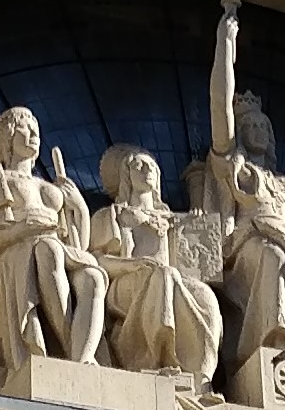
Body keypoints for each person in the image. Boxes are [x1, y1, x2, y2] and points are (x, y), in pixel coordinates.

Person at [192, 0, 285, 389]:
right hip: (247, 252)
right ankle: (275, 347)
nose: (254, 128)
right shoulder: (235, 169)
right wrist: (225, 42)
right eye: (248, 125)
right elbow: (220, 107)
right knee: (272, 256)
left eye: (260, 125)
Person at [0, 106, 106, 378]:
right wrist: (22, 230)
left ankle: (82, 358)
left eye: (35, 125)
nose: (33, 131)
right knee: (46, 249)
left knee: (94, 278)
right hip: (15, 257)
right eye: (24, 126)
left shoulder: (51, 187)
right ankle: (69, 350)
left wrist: (80, 209)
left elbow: (79, 244)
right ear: (7, 138)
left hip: (59, 251)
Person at [87, 144, 226, 381]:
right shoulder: (112, 214)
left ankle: (201, 375)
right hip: (126, 283)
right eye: (138, 166)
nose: (146, 170)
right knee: (163, 275)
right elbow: (97, 260)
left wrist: (197, 231)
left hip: (170, 281)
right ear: (126, 176)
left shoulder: (173, 219)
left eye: (151, 166)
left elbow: (201, 272)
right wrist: (132, 265)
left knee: (205, 296)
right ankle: (160, 360)